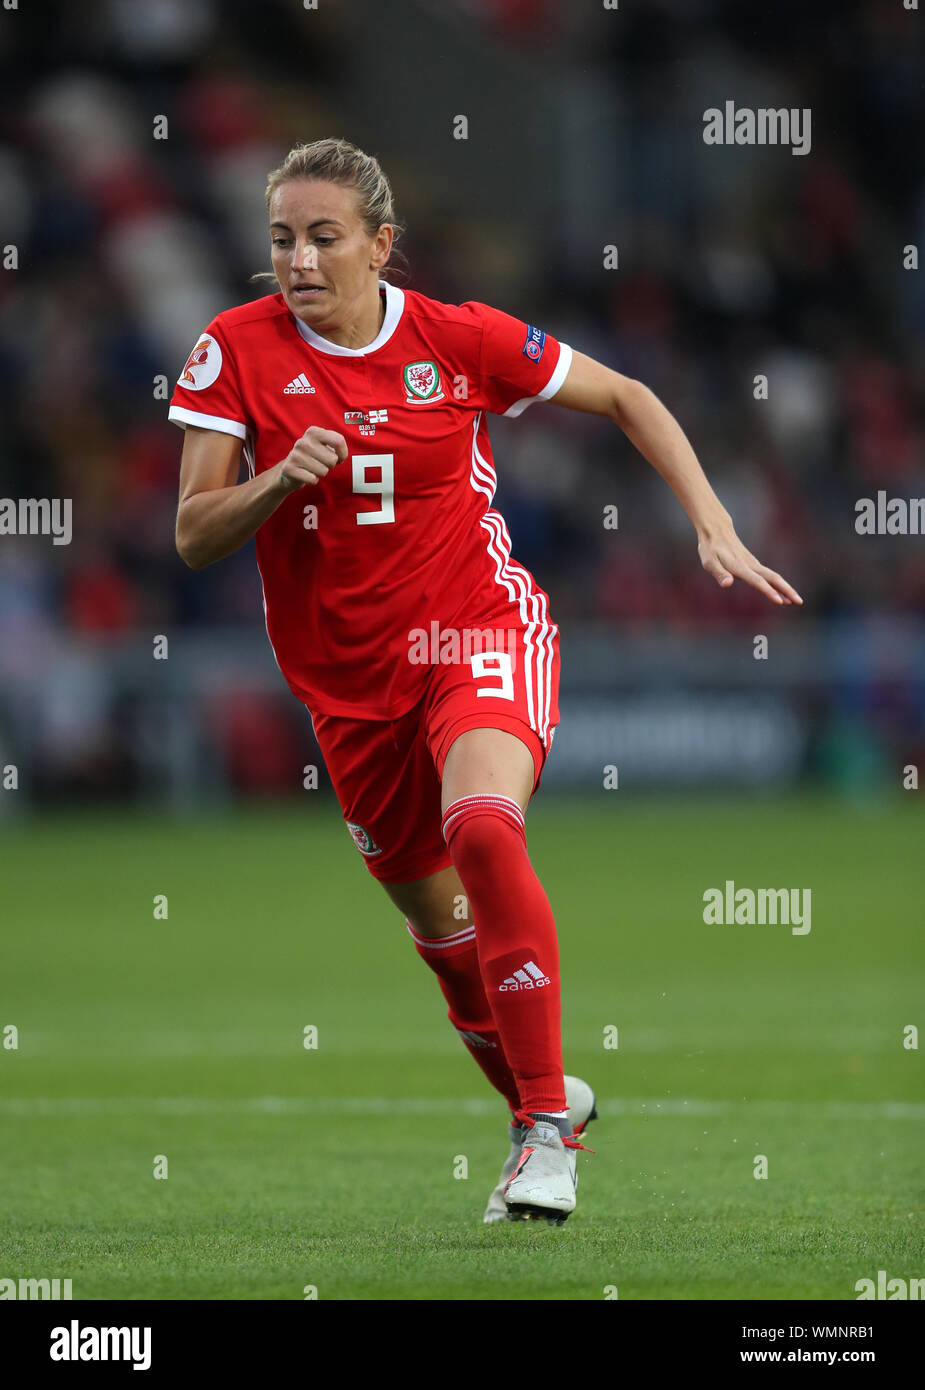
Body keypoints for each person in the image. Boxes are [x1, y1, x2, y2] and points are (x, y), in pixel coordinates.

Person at [170, 138, 801, 1226]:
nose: (300, 261)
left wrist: (712, 521)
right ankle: (541, 1097)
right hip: (347, 687)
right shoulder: (231, 351)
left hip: (478, 632)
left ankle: (543, 1131)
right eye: (282, 239)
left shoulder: (455, 338)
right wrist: (278, 477)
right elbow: (190, 534)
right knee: (443, 938)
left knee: (483, 826)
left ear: (381, 245)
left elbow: (627, 394)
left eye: (325, 238)